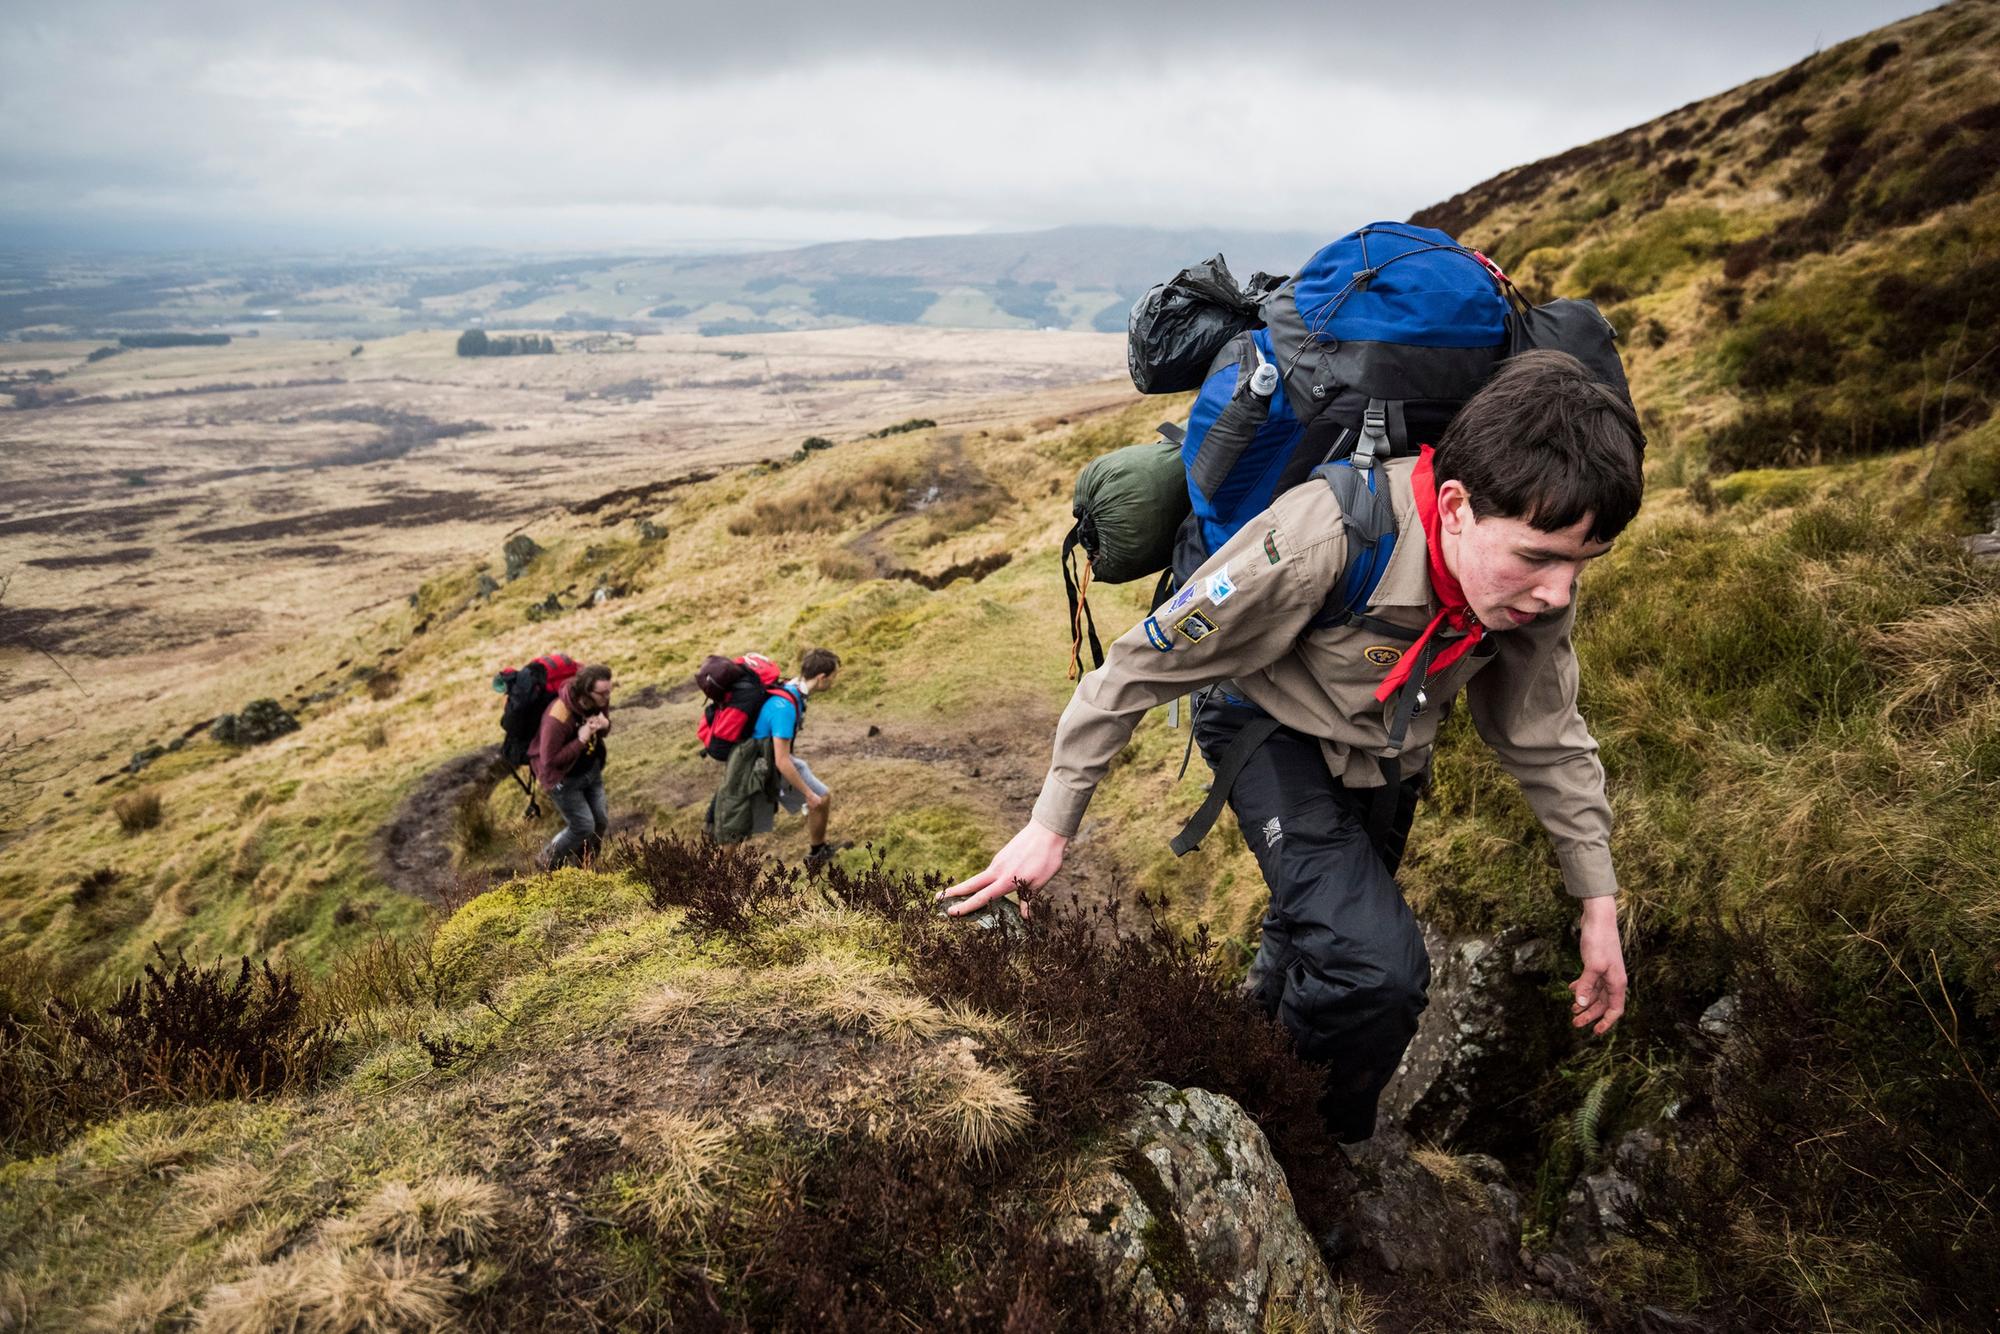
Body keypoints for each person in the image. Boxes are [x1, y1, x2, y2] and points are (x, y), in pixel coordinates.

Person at [941, 350, 1643, 1142]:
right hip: (1266, 727)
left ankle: (1233, 1064)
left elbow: (1544, 733)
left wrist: (1598, 900)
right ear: (1453, 506)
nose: (1557, 592)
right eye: (1538, 558)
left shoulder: (1533, 592)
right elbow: (1137, 666)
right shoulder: (1318, 539)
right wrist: (1051, 823)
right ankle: (1304, 1149)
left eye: (1583, 563)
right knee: (1377, 972)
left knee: (1316, 933)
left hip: (1387, 755)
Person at [753, 647, 841, 870]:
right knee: (737, 830)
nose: (833, 681)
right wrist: (807, 794)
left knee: (823, 797)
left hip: (769, 757)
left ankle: (817, 852)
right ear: (821, 678)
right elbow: (782, 761)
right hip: (760, 765)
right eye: (833, 677)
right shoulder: (785, 707)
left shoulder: (792, 690)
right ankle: (717, 881)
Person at [529, 662, 614, 868]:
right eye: (603, 693)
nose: (607, 698)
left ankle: (584, 867)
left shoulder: (597, 701)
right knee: (583, 826)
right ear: (586, 691)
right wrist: (581, 740)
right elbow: (550, 760)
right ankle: (547, 860)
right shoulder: (558, 717)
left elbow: (601, 728)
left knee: (600, 821)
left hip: (590, 772)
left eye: (610, 691)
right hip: (564, 780)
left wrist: (605, 726)